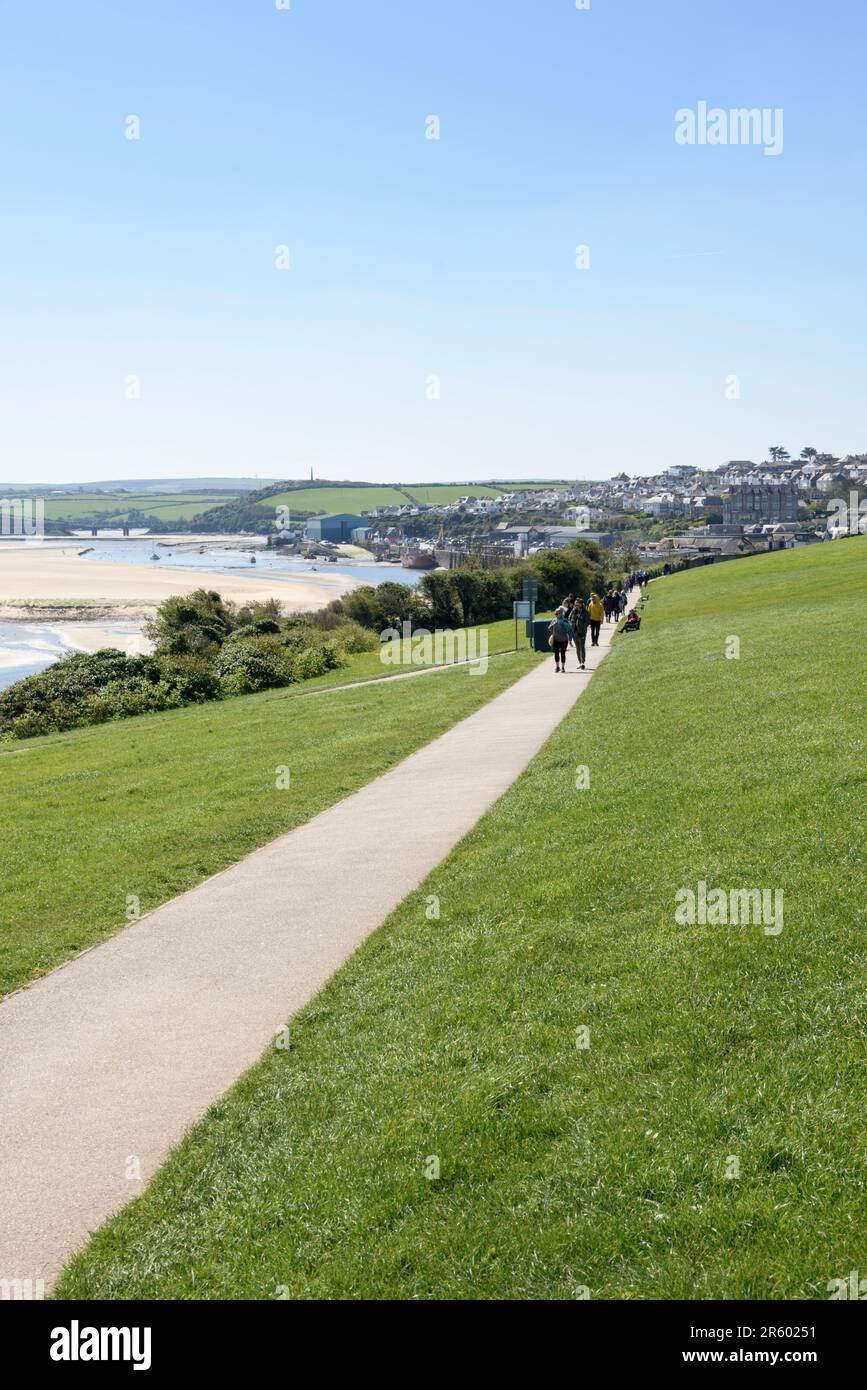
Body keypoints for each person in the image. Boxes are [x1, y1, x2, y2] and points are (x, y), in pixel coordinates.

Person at [548, 605, 573, 673]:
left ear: (561, 613)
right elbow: (549, 628)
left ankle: (563, 667)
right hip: (556, 640)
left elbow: (569, 628)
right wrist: (552, 625)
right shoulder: (554, 620)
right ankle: (557, 667)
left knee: (562, 654)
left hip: (564, 640)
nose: (556, 615)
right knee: (556, 654)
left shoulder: (565, 620)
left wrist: (563, 624)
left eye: (557, 614)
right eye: (555, 614)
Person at [569, 597, 589, 669]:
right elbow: (569, 618)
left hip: (582, 633)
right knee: (577, 648)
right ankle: (580, 662)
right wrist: (571, 624)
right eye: (575, 604)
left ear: (580, 604)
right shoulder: (574, 610)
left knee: (582, 647)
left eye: (577, 604)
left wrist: (582, 629)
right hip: (574, 632)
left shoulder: (585, 612)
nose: (575, 606)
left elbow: (587, 622)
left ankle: (583, 662)